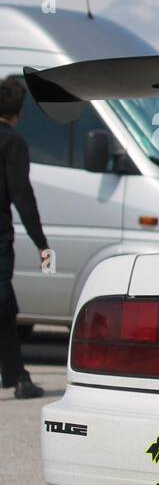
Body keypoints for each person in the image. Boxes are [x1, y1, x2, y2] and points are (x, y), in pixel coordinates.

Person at [0, 76, 52, 399]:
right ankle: (18, 377)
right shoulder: (13, 143)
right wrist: (41, 243)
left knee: (5, 306)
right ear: (18, 112)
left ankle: (17, 375)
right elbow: (22, 195)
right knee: (4, 305)